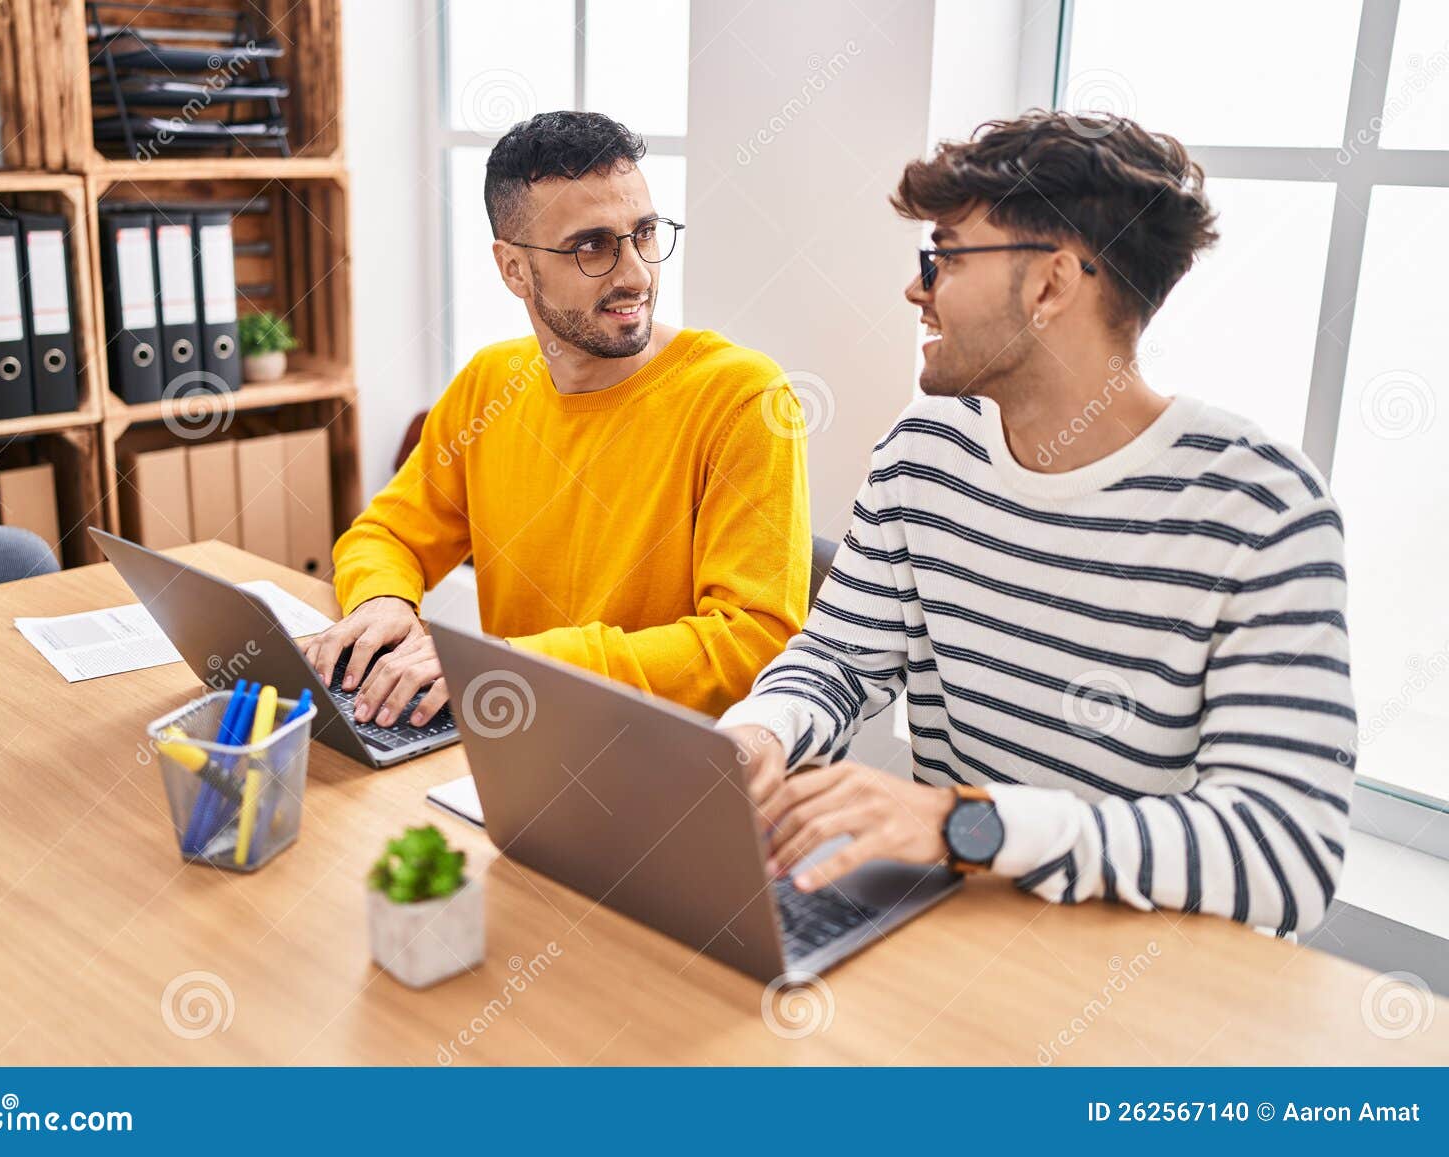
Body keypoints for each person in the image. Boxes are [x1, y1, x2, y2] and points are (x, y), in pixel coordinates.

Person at [719, 111, 1354, 937]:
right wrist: (757, 733)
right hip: (951, 931)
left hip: (1136, 967)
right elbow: (839, 659)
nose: (918, 288)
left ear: (1052, 284)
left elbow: (1284, 852)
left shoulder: (1261, 508)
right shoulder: (924, 451)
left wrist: (967, 825)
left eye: (943, 256)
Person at [304, 111, 811, 727]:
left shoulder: (743, 397)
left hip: (665, 760)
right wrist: (383, 601)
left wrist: (516, 664)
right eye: (591, 246)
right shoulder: (491, 382)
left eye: (645, 233)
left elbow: (752, 645)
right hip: (514, 733)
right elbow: (389, 535)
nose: (636, 274)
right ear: (513, 268)